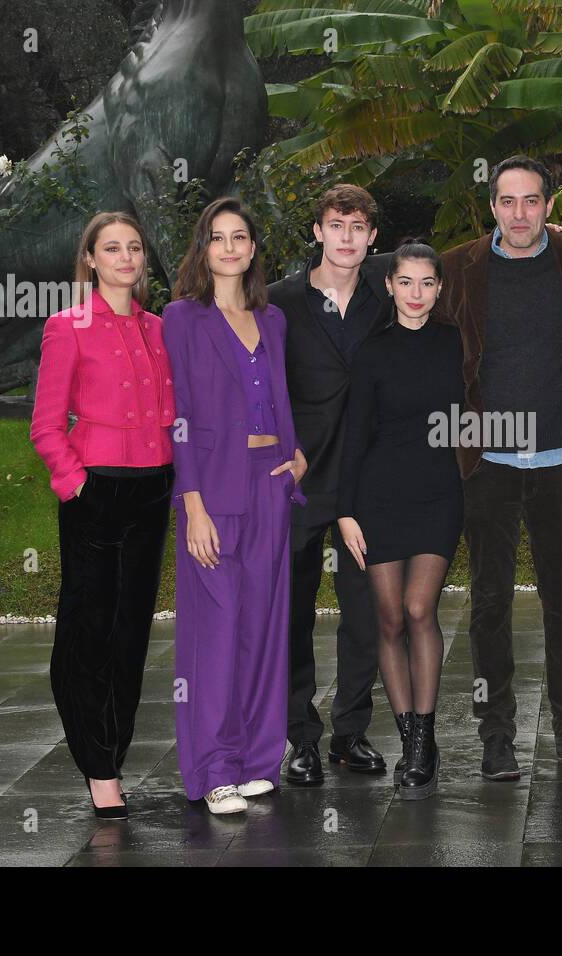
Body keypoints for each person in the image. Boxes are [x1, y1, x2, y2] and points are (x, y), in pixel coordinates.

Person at [435, 156, 562, 781]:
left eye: (532, 201)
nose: (520, 213)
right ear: (492, 207)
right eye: (508, 201)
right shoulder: (457, 268)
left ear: (549, 206)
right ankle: (496, 735)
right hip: (489, 460)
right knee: (489, 603)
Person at [162, 197, 308, 814]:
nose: (229, 247)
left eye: (239, 237)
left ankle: (254, 759)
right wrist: (191, 503)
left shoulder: (271, 319)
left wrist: (297, 457)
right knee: (214, 631)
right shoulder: (181, 318)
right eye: (217, 237)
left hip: (270, 478)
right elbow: (180, 418)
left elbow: (280, 394)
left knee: (265, 625)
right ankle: (213, 766)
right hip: (212, 488)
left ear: (252, 249)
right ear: (204, 249)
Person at [31, 211, 175, 819]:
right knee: (89, 632)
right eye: (111, 248)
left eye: (134, 248)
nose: (124, 257)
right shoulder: (68, 326)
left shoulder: (161, 328)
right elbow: (44, 425)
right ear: (90, 258)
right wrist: (76, 487)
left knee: (132, 632)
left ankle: (114, 750)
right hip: (96, 492)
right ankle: (99, 768)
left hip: (153, 490)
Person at [268, 186, 395, 785]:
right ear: (317, 231)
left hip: (366, 481)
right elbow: (258, 386)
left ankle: (350, 731)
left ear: (373, 237)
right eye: (336, 224)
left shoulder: (386, 299)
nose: (347, 236)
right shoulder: (280, 303)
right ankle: (300, 736)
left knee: (363, 612)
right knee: (291, 613)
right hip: (297, 475)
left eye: (359, 227)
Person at [336, 240, 464, 799]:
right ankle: (412, 736)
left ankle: (422, 739)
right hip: (379, 496)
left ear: (439, 288)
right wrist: (344, 510)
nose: (416, 294)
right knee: (387, 619)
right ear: (389, 286)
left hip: (438, 495)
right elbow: (353, 437)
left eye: (426, 283)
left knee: (419, 609)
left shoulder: (455, 342)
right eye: (405, 283)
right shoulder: (371, 352)